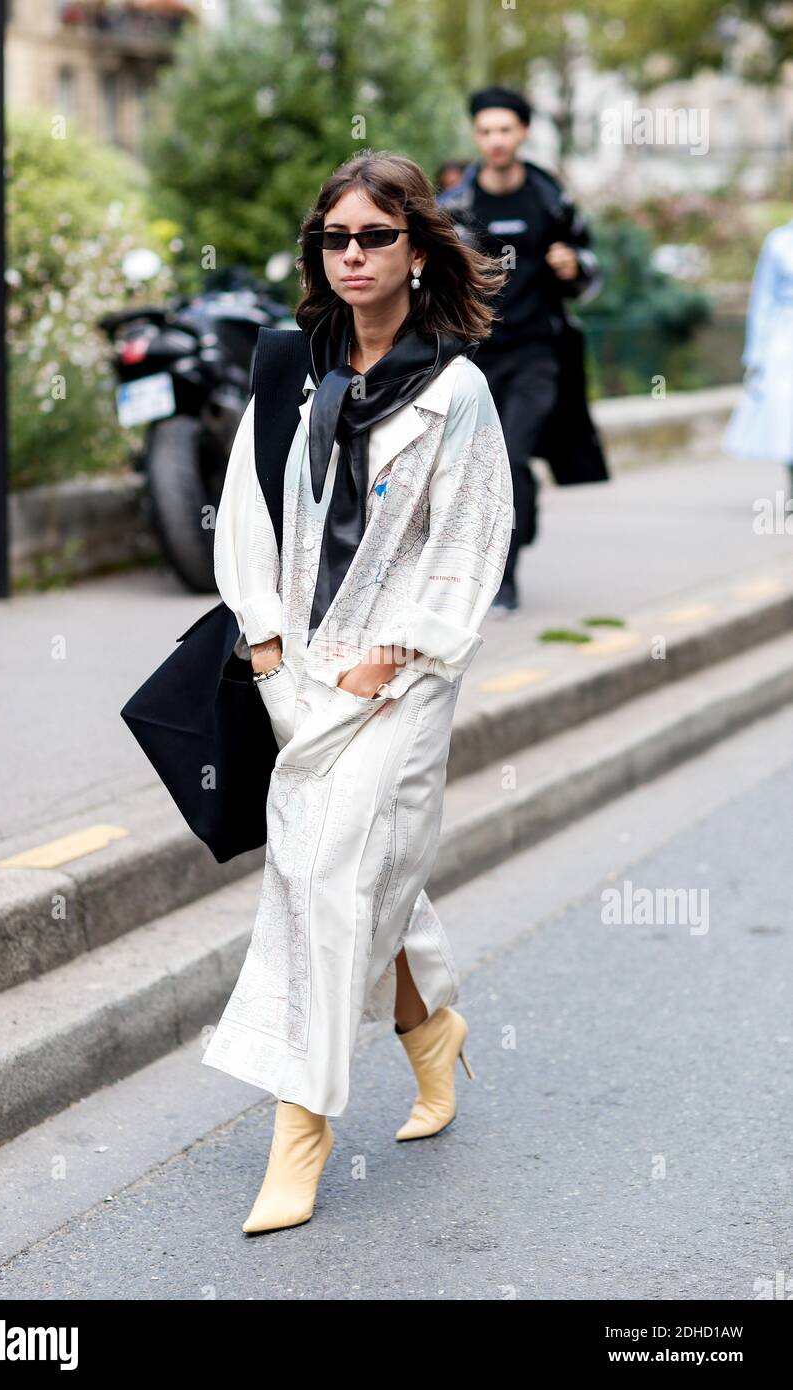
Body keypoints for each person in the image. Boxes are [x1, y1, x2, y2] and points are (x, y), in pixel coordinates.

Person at [200, 150, 513, 1234]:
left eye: (374, 236)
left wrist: (402, 648)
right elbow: (247, 506)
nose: (351, 256)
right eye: (334, 237)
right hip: (301, 670)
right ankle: (434, 1036)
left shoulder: (456, 389)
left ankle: (299, 1130)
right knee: (365, 874)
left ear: (416, 249)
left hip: (399, 680)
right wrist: (267, 644)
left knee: (327, 877)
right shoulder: (294, 365)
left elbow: (470, 539)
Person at [437, 85, 608, 611]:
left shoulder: (551, 199)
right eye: (485, 131)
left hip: (538, 352)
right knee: (478, 465)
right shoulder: (455, 206)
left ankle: (503, 579)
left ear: (523, 133)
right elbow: (433, 279)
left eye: (505, 129)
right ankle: (519, 517)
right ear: (476, 136)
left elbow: (591, 268)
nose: (495, 140)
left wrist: (575, 268)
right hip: (476, 355)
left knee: (509, 455)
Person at [722, 217, 793, 500]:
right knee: (787, 413)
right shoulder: (779, 241)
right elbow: (764, 299)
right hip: (786, 340)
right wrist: (755, 355)